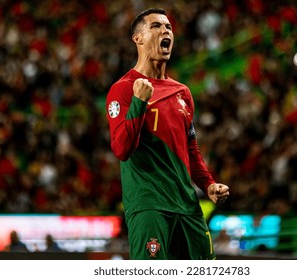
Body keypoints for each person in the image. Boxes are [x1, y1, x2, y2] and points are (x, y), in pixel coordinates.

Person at [106, 7, 230, 260]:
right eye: (156, 26)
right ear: (137, 38)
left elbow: (191, 149)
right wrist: (139, 103)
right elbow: (121, 149)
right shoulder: (123, 90)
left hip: (187, 206)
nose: (165, 31)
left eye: (169, 27)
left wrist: (208, 185)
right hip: (149, 206)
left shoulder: (182, 92)